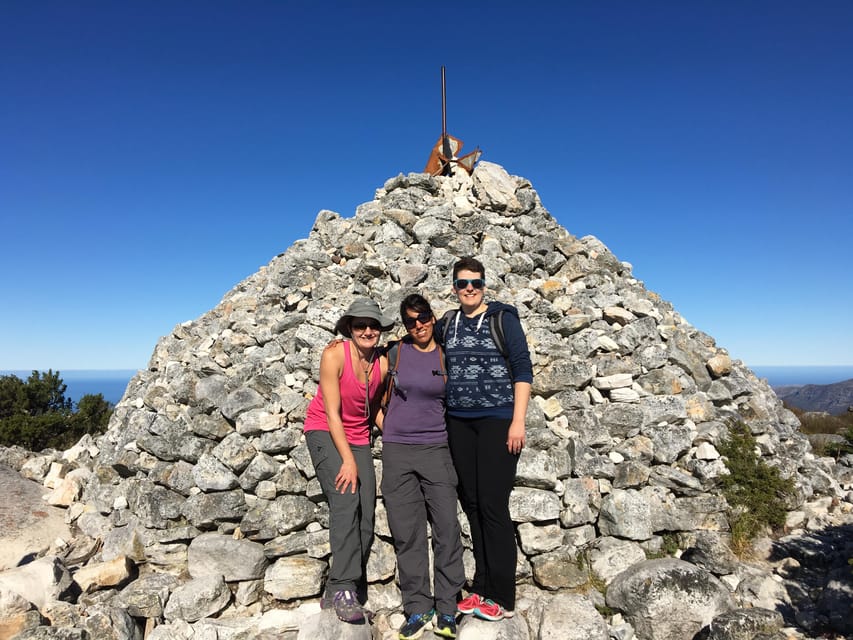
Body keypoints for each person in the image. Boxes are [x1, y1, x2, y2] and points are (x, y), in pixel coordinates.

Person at [439, 257, 533, 622]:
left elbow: (522, 369)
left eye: (475, 283)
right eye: (463, 283)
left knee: (494, 506)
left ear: (484, 284)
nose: (469, 289)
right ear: (454, 287)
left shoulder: (502, 318)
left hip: (497, 420)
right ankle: (480, 587)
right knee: (473, 504)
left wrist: (517, 421)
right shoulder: (449, 322)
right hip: (459, 422)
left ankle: (502, 596)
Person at [376, 293, 465, 639]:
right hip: (398, 452)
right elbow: (371, 394)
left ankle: (447, 606)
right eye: (410, 321)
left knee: (446, 527)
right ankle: (417, 607)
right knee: (407, 532)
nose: (418, 326)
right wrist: (388, 429)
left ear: (432, 317)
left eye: (423, 318)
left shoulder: (445, 354)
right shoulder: (396, 353)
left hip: (436, 450)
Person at [303, 298, 394, 623]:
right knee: (345, 500)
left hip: (359, 437)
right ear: (349, 328)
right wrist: (347, 460)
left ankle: (338, 590)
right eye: (360, 325)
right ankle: (343, 589)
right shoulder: (334, 355)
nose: (367, 330)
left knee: (366, 512)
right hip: (326, 431)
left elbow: (379, 409)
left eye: (373, 325)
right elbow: (331, 412)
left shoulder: (383, 362)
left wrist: (401, 437)